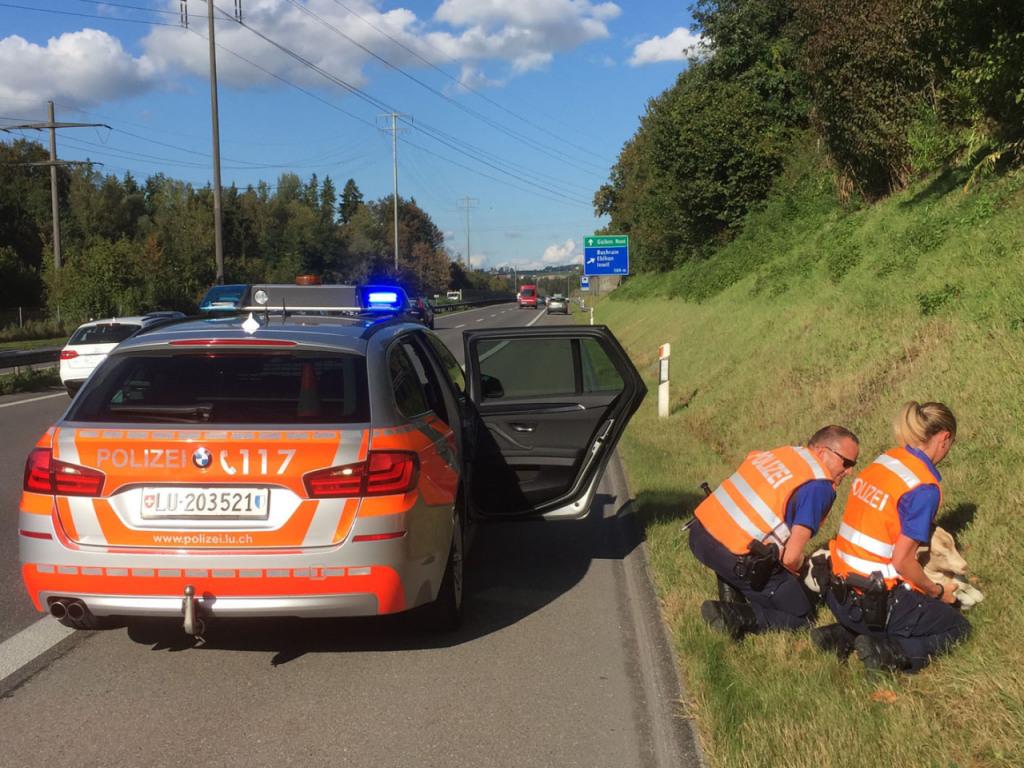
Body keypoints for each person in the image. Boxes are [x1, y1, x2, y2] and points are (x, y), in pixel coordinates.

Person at [812, 401, 970, 673]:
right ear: (944, 438)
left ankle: (841, 633)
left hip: (837, 588)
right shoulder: (924, 488)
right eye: (950, 443)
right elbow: (901, 561)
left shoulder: (886, 460)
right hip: (876, 600)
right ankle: (889, 653)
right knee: (957, 627)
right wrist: (938, 591)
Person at [689, 425, 860, 639]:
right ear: (822, 452)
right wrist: (803, 571)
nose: (850, 471)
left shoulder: (785, 453)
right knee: (801, 615)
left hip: (699, 533)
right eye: (846, 463)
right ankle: (732, 615)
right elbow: (790, 558)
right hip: (734, 556)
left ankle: (730, 594)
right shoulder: (819, 487)